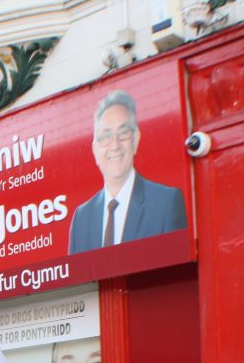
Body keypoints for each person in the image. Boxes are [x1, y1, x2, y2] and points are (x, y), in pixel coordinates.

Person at [67, 90, 187, 254]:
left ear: (135, 139)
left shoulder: (165, 203)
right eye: (106, 137)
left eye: (123, 134)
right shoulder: (82, 218)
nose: (115, 145)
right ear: (95, 149)